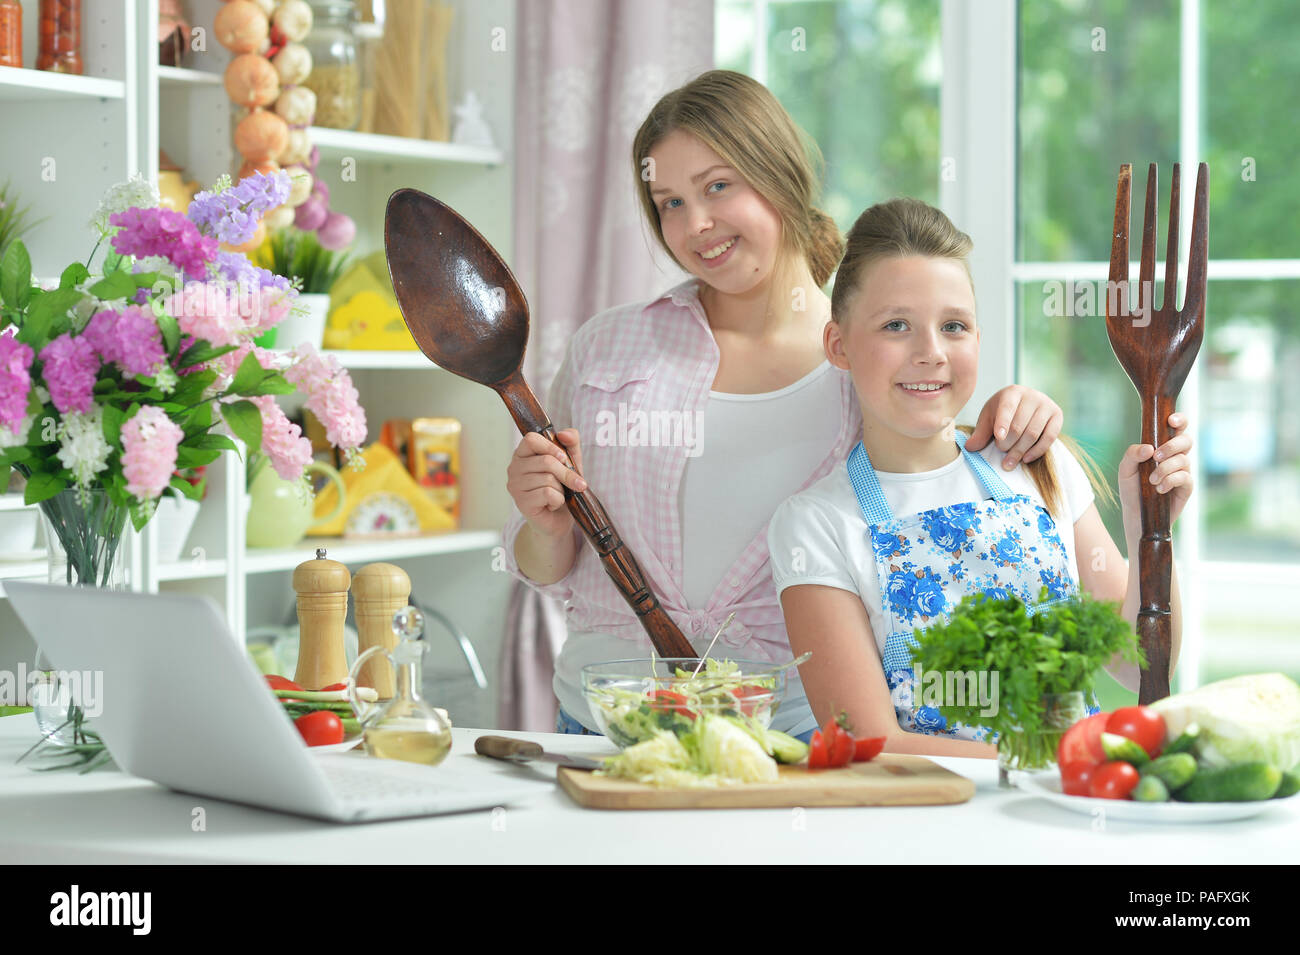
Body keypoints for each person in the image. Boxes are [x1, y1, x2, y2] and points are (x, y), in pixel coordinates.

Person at [500, 70, 1068, 741]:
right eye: (670, 202)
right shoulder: (608, 348)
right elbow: (546, 567)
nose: (696, 224)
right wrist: (544, 523)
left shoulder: (869, 348)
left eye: (717, 186)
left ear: (780, 174)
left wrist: (1019, 411)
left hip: (789, 738)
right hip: (603, 726)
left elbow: (943, 476)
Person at [767, 197, 1193, 756]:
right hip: (932, 823)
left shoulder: (1039, 463)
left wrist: (1148, 528)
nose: (931, 352)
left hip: (1067, 816)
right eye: (896, 325)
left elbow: (1137, 665)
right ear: (838, 344)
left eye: (954, 326)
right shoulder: (815, 523)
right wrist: (1063, 761)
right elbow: (872, 743)